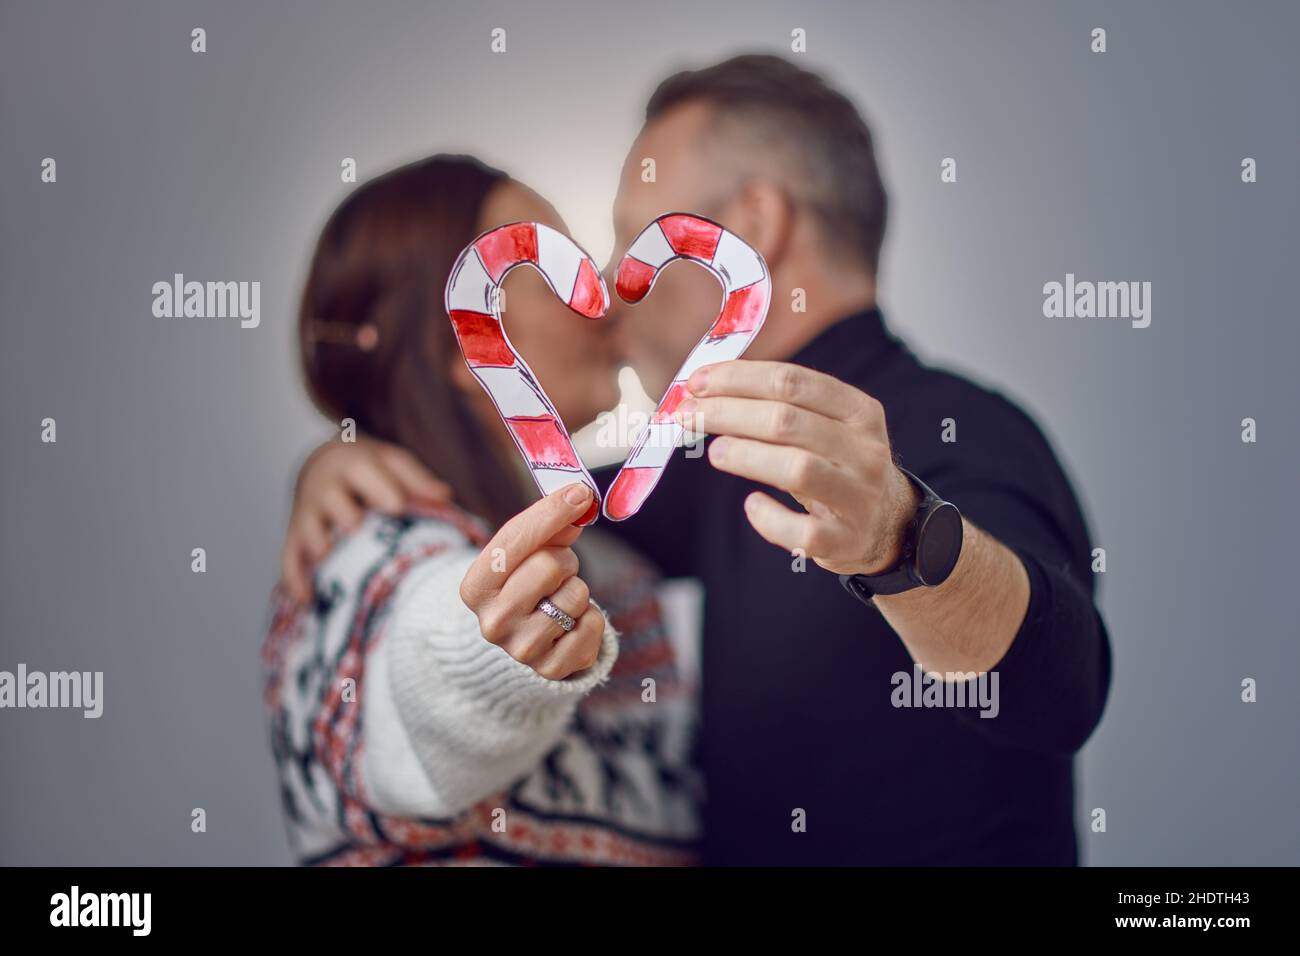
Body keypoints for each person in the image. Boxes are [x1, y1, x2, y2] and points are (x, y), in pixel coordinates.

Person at [281, 56, 1111, 865]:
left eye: (628, 235)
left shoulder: (960, 425)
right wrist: (352, 446)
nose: (606, 282)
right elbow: (515, 523)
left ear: (750, 227)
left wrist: (902, 538)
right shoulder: (705, 467)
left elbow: (1061, 687)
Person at [262, 154, 700, 866]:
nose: (606, 300)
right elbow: (421, 657)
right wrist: (497, 645)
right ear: (461, 339)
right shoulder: (368, 551)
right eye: (554, 266)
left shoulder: (615, 553)